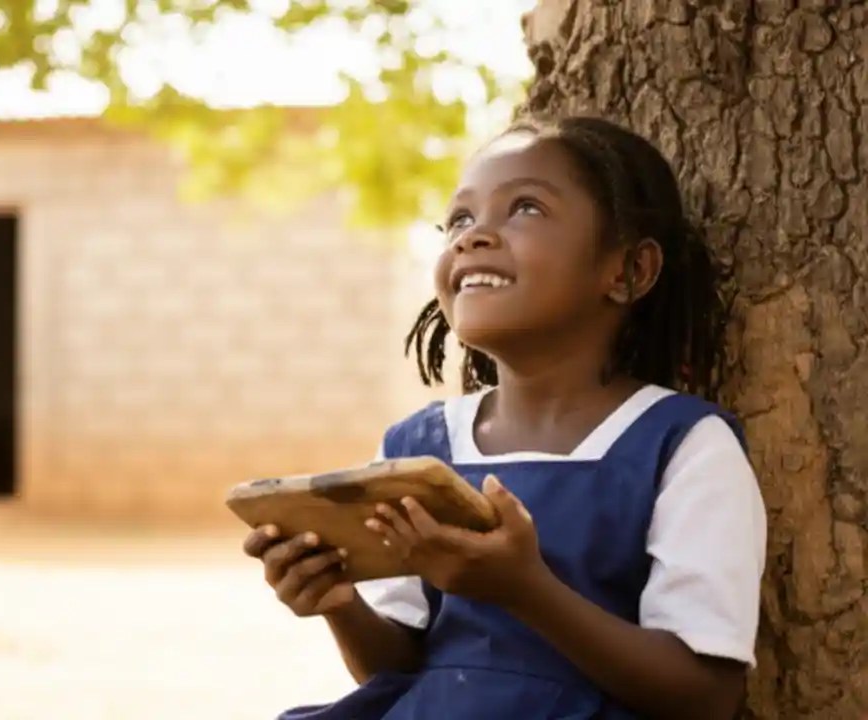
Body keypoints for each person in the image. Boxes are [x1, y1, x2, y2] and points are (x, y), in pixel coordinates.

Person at [241, 115, 767, 720]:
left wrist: (526, 590)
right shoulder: (417, 447)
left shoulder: (682, 446)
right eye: (460, 220)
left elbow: (705, 697)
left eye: (526, 209)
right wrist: (339, 603)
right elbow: (399, 673)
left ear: (626, 271)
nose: (472, 237)